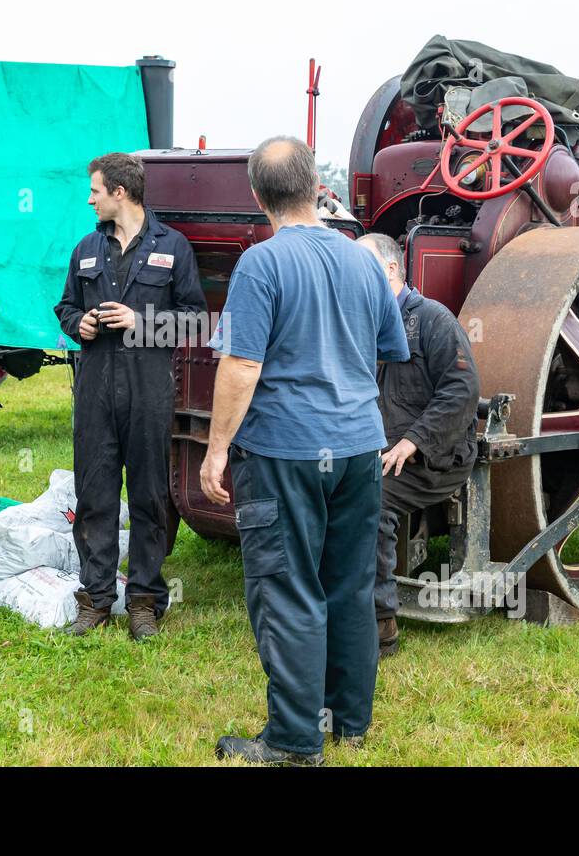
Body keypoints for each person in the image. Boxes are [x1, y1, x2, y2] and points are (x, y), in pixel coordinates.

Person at [199, 136, 409, 765]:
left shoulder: (261, 264)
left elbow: (239, 365)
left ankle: (293, 741)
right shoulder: (364, 262)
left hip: (285, 450)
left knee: (288, 589)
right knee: (348, 585)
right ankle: (350, 721)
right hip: (358, 446)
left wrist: (215, 451)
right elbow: (386, 350)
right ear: (317, 186)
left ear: (257, 196)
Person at [54, 153, 206, 640]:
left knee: (148, 498)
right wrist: (78, 323)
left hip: (149, 393)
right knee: (94, 496)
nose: (89, 198)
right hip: (96, 392)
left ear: (120, 192)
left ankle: (144, 602)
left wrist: (142, 324)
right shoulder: (85, 249)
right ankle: (95, 600)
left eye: (95, 190)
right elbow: (65, 307)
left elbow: (196, 320)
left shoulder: (173, 247)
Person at [356, 233, 480, 657]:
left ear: (390, 269)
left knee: (367, 503)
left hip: (435, 457)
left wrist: (412, 442)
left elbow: (462, 389)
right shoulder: (362, 322)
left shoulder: (432, 319)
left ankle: (380, 624)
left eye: (363, 264)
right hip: (378, 451)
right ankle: (341, 609)